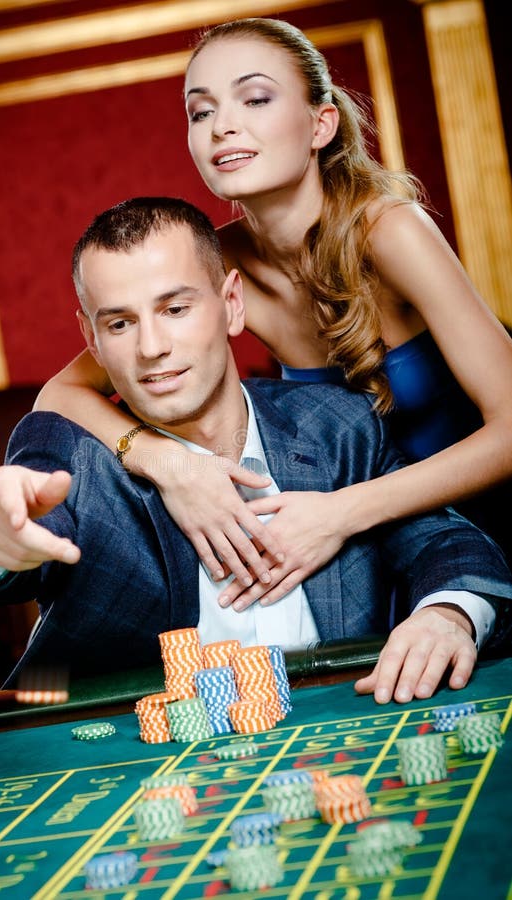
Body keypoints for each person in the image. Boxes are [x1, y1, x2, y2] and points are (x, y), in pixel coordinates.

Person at [0, 197, 512, 705]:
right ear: (92, 339)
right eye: (119, 323)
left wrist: (447, 613)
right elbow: (18, 511)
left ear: (232, 304)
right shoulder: (73, 449)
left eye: (175, 309)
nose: (152, 348)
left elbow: (443, 540)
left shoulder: (339, 426)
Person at [34, 17, 512, 614]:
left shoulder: (391, 231)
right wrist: (171, 466)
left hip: (484, 536)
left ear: (321, 123)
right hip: (364, 558)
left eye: (255, 98)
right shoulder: (219, 263)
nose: (223, 125)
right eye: (200, 112)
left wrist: (341, 513)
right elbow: (58, 395)